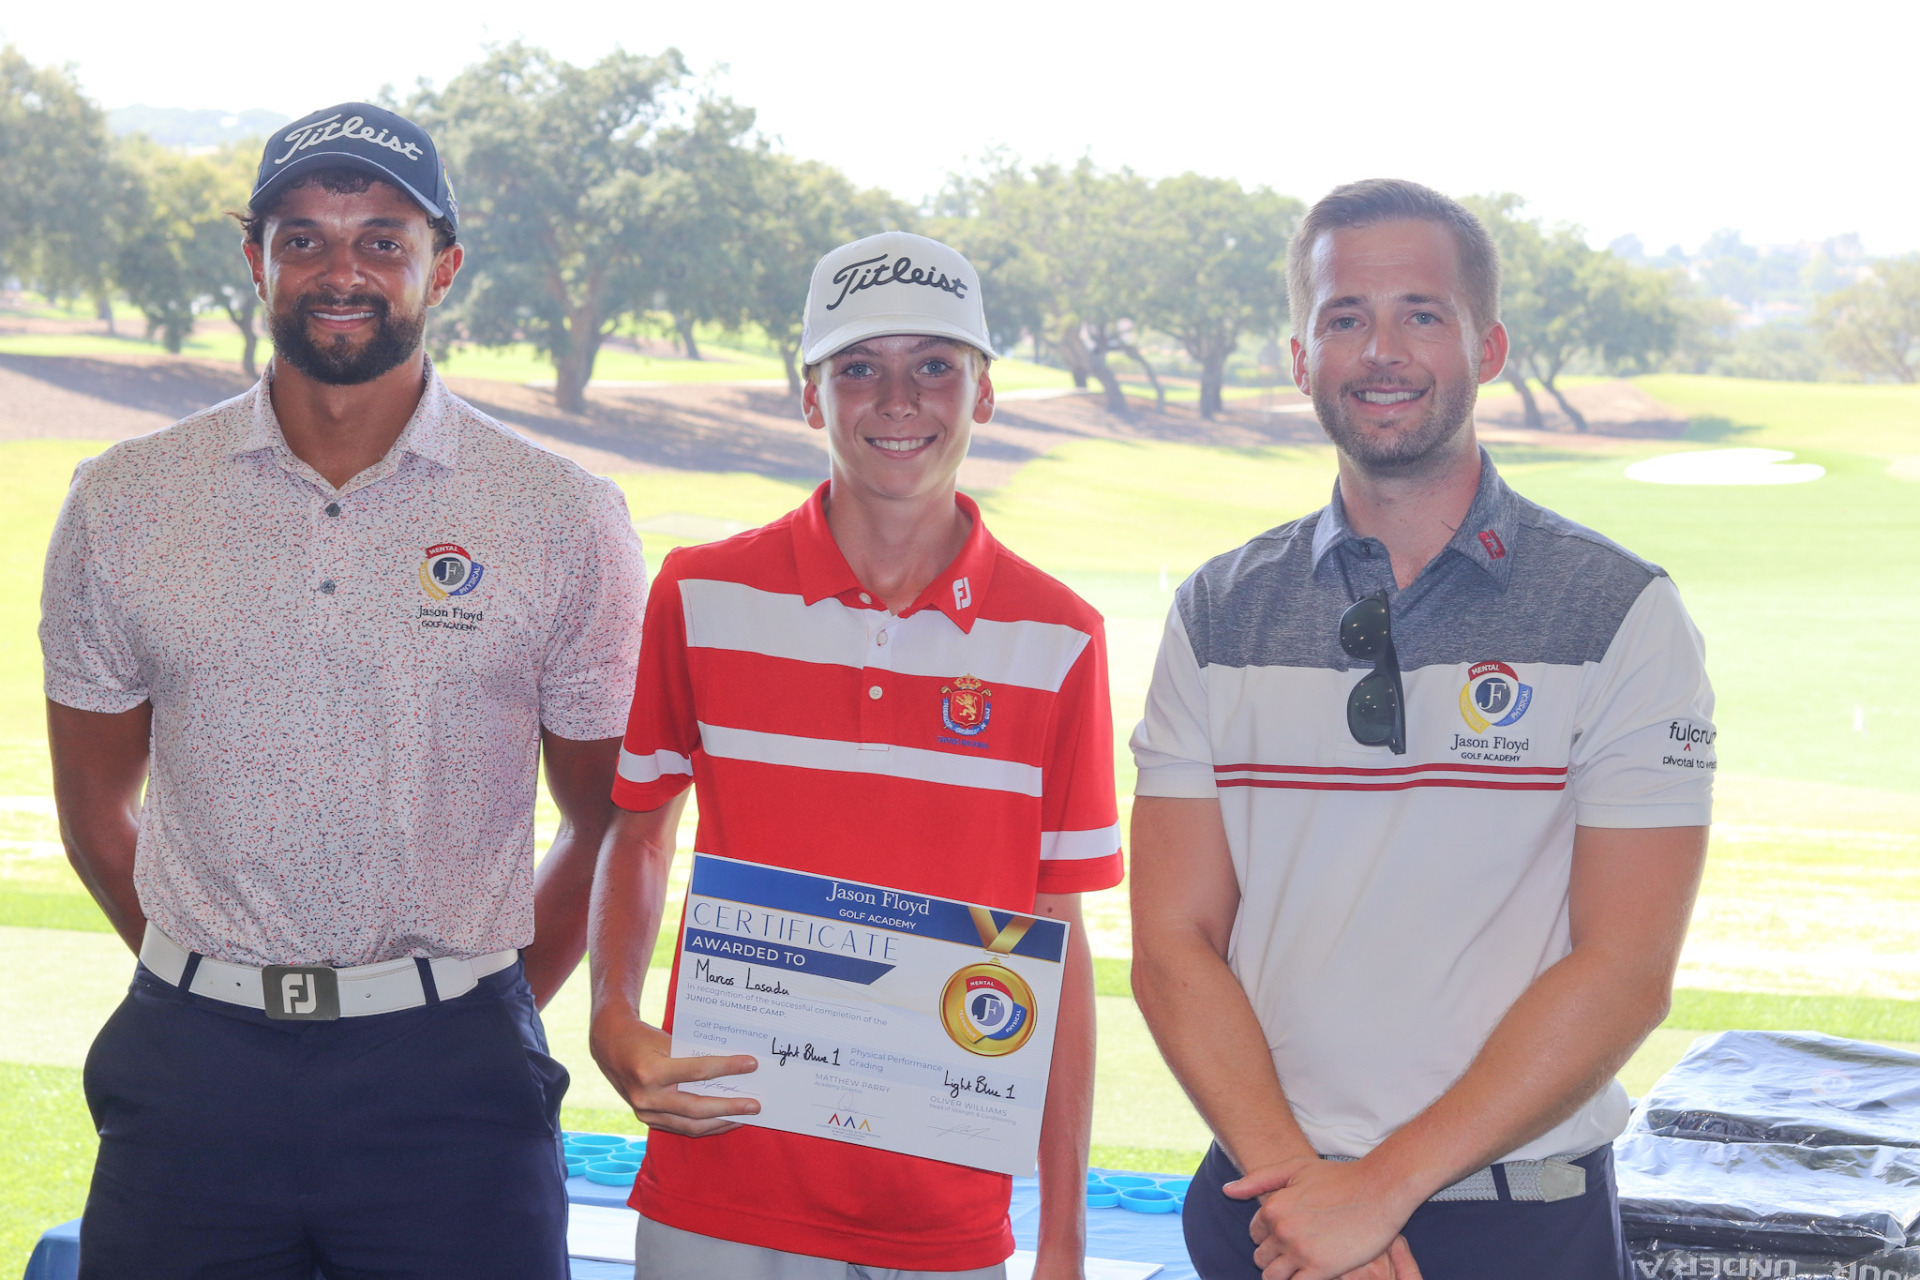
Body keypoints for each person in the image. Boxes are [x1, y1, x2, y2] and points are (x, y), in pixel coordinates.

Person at [41, 101, 646, 1279]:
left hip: (450, 1082)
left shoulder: (563, 514)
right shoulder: (124, 499)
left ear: (443, 266)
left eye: (383, 237)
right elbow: (95, 807)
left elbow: (605, 814)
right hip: (192, 1069)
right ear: (255, 258)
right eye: (305, 235)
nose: (342, 269)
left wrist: (487, 1001)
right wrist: (216, 970)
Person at [1128, 179, 1716, 1280]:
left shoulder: (1622, 610)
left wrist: (1377, 1191)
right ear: (1299, 355)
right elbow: (1173, 943)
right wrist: (1314, 1202)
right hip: (1272, 1209)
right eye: (1345, 316)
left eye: (1421, 314)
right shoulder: (1217, 610)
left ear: (1487, 346)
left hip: (1520, 1225)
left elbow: (1627, 965)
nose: (1381, 349)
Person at [588, 230, 1122, 1280]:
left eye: (935, 365)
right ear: (808, 396)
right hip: (721, 1170)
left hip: (941, 1201)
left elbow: (1058, 937)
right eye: (858, 368)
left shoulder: (1060, 634)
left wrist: (1065, 1232)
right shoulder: (699, 595)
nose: (897, 400)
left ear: (985, 393)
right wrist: (611, 1013)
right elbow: (641, 835)